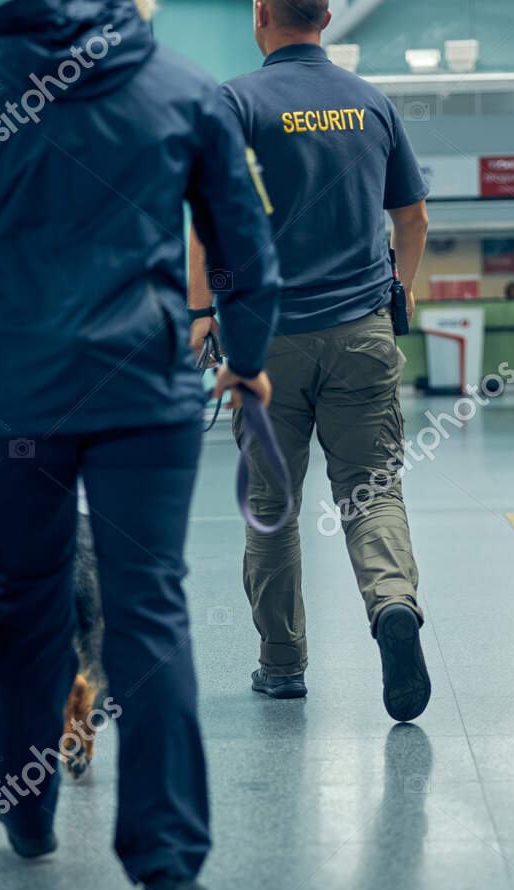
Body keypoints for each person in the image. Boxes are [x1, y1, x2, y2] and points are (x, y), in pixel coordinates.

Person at [0, 0, 281, 890]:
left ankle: (24, 807)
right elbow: (245, 240)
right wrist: (248, 350)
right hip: (143, 390)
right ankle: (170, 873)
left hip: (12, 393)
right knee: (149, 606)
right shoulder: (182, 87)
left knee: (24, 598)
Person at [188, 0, 433, 723]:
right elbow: (413, 219)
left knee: (272, 510)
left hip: (267, 345)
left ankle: (282, 665)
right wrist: (400, 288)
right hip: (362, 331)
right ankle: (392, 604)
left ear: (261, 15)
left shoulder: (236, 103)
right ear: (327, 17)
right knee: (372, 488)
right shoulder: (371, 103)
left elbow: (211, 220)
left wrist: (202, 315)